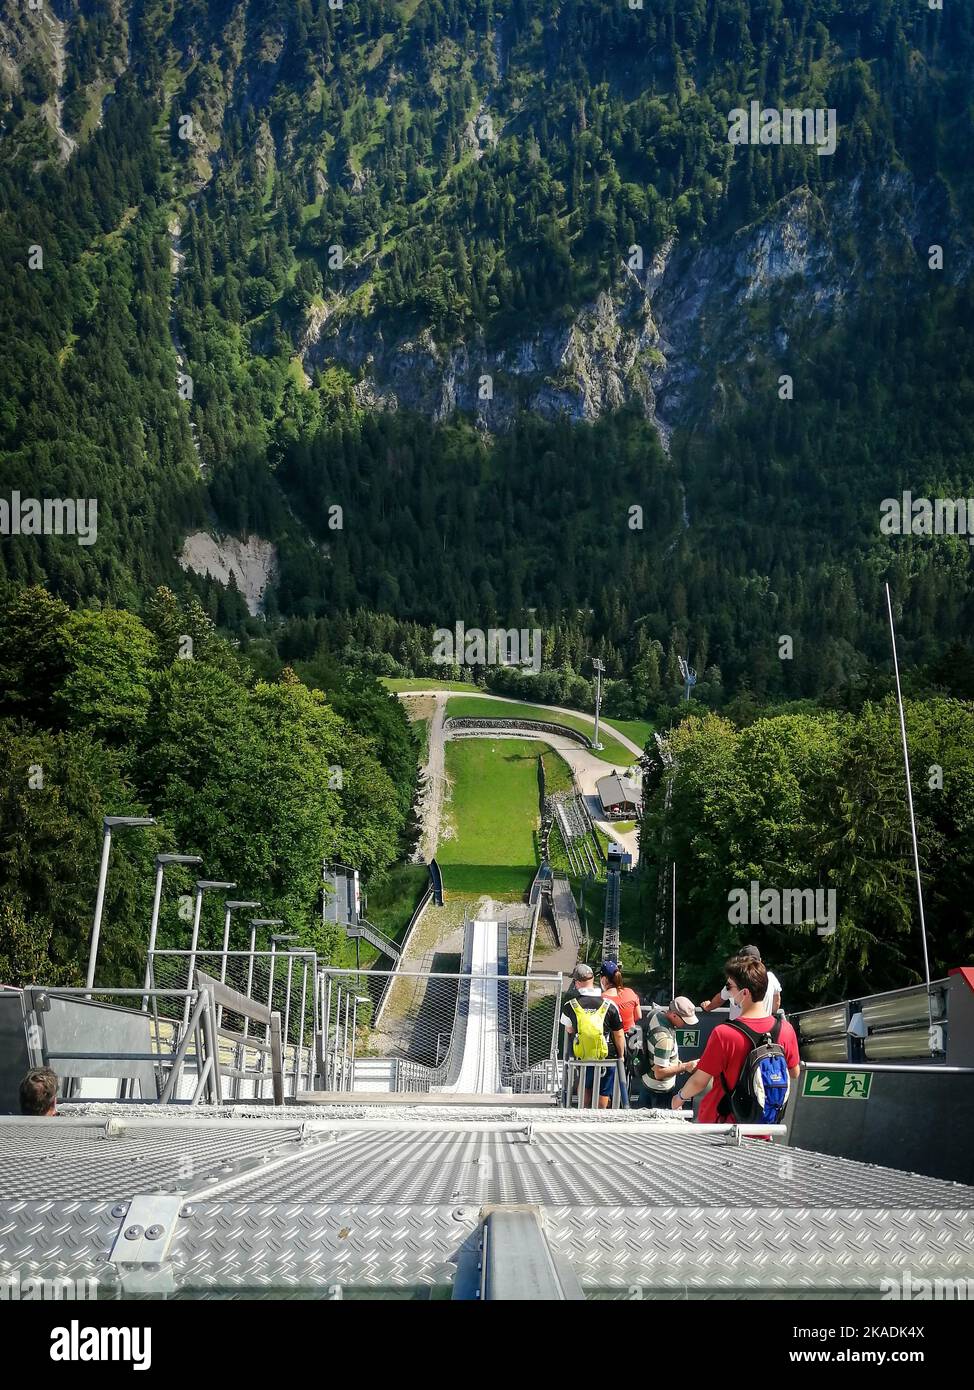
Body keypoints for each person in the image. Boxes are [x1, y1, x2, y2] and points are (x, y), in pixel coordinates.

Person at [674, 956, 800, 1125]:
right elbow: (794, 1072)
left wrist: (679, 1098)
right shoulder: (785, 1029)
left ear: (745, 993)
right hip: (763, 1124)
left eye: (729, 987)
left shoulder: (724, 1033)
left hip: (723, 1125)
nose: (728, 992)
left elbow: (699, 1081)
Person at [561, 963, 626, 1109]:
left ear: (577, 982)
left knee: (585, 1084)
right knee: (604, 1091)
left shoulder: (570, 1005)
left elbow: (569, 1030)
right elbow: (619, 1034)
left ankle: (582, 1113)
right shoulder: (609, 1005)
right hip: (607, 1056)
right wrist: (621, 1055)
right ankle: (599, 1118)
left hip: (584, 1055)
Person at [639, 997, 699, 1109]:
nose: (686, 1024)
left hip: (648, 1086)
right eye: (685, 1020)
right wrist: (685, 1066)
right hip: (660, 1094)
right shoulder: (665, 1039)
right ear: (674, 1015)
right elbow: (659, 1073)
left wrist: (675, 1062)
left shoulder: (657, 1015)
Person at [699, 944, 782, 1019]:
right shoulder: (771, 977)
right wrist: (771, 1013)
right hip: (764, 1029)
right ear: (760, 960)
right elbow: (776, 1002)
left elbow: (719, 1000)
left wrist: (708, 1007)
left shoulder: (735, 980)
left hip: (738, 1030)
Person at [600, 960, 642, 1033]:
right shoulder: (630, 992)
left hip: (611, 1040)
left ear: (604, 979)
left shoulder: (601, 999)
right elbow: (639, 1016)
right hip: (630, 1038)